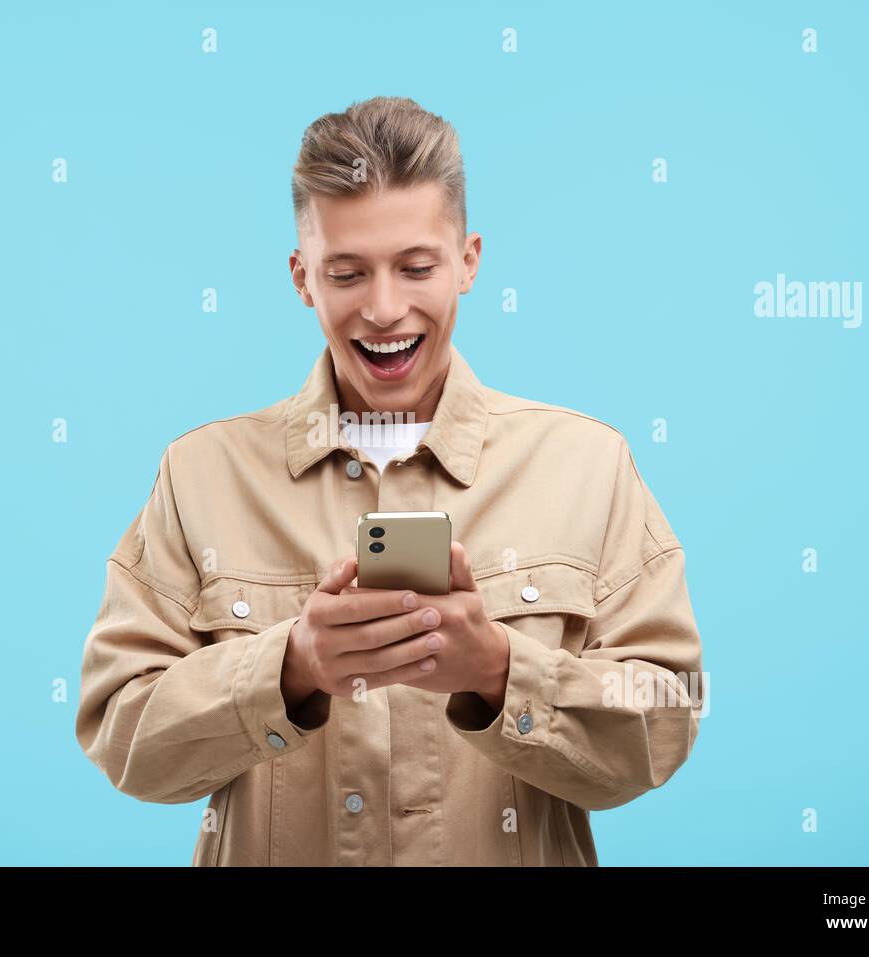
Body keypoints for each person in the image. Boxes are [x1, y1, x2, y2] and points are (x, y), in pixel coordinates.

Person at [75, 96, 705, 866]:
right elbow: (119, 729)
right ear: (303, 278)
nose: (383, 309)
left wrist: (501, 671)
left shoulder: (589, 465)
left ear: (469, 261)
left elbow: (669, 713)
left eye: (416, 267)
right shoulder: (200, 473)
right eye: (347, 273)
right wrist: (289, 668)